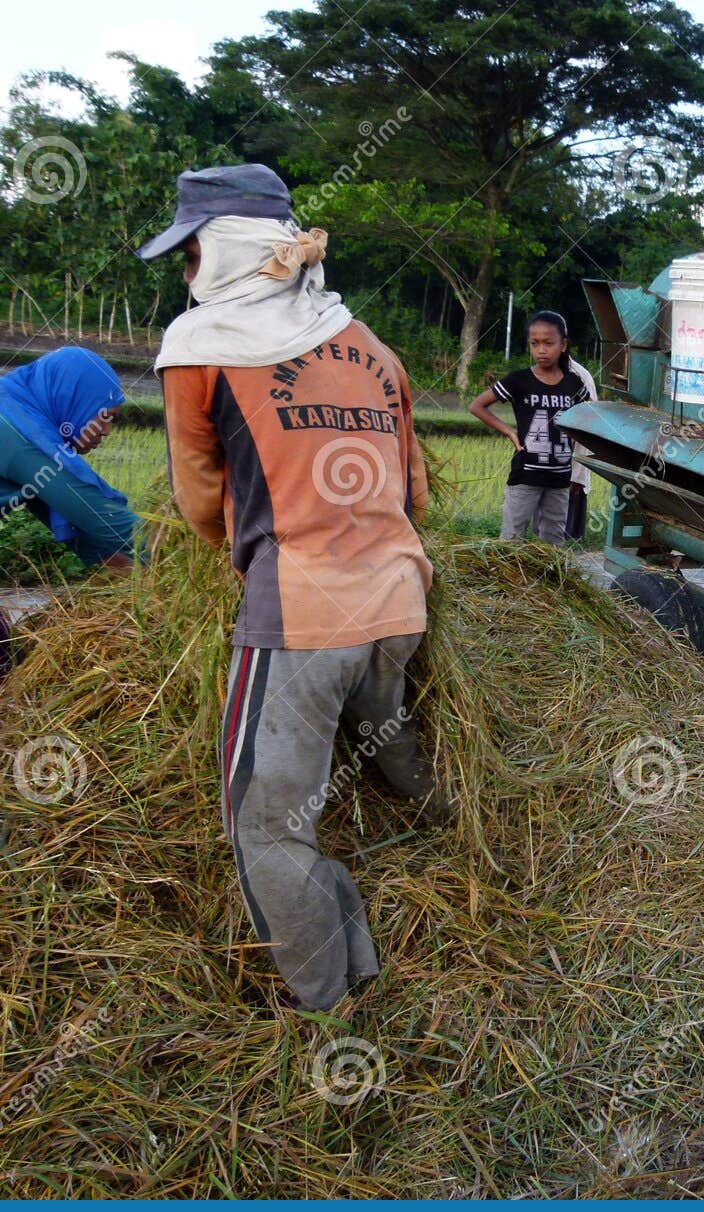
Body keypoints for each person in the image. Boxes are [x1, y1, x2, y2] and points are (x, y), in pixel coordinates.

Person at [137, 163, 444, 1013]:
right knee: (379, 720)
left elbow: (199, 497)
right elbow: (415, 493)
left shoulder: (200, 349)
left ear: (223, 249)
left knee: (265, 828)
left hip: (301, 621)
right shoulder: (372, 346)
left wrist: (254, 558)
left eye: (189, 253)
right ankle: (438, 816)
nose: (186, 274)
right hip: (401, 601)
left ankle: (327, 1007)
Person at [0, 347, 137, 572]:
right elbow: (101, 516)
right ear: (71, 398)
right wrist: (185, 554)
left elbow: (83, 528)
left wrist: (125, 570)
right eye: (104, 416)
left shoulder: (17, 414)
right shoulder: (19, 434)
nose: (106, 430)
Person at [470, 310, 595, 544]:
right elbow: (477, 406)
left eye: (548, 343)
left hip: (559, 480)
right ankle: (512, 582)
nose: (541, 350)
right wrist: (509, 431)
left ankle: (547, 581)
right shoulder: (519, 380)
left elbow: (590, 417)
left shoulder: (573, 383)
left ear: (563, 344)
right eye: (534, 344)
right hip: (525, 475)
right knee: (511, 540)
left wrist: (579, 469)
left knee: (553, 544)